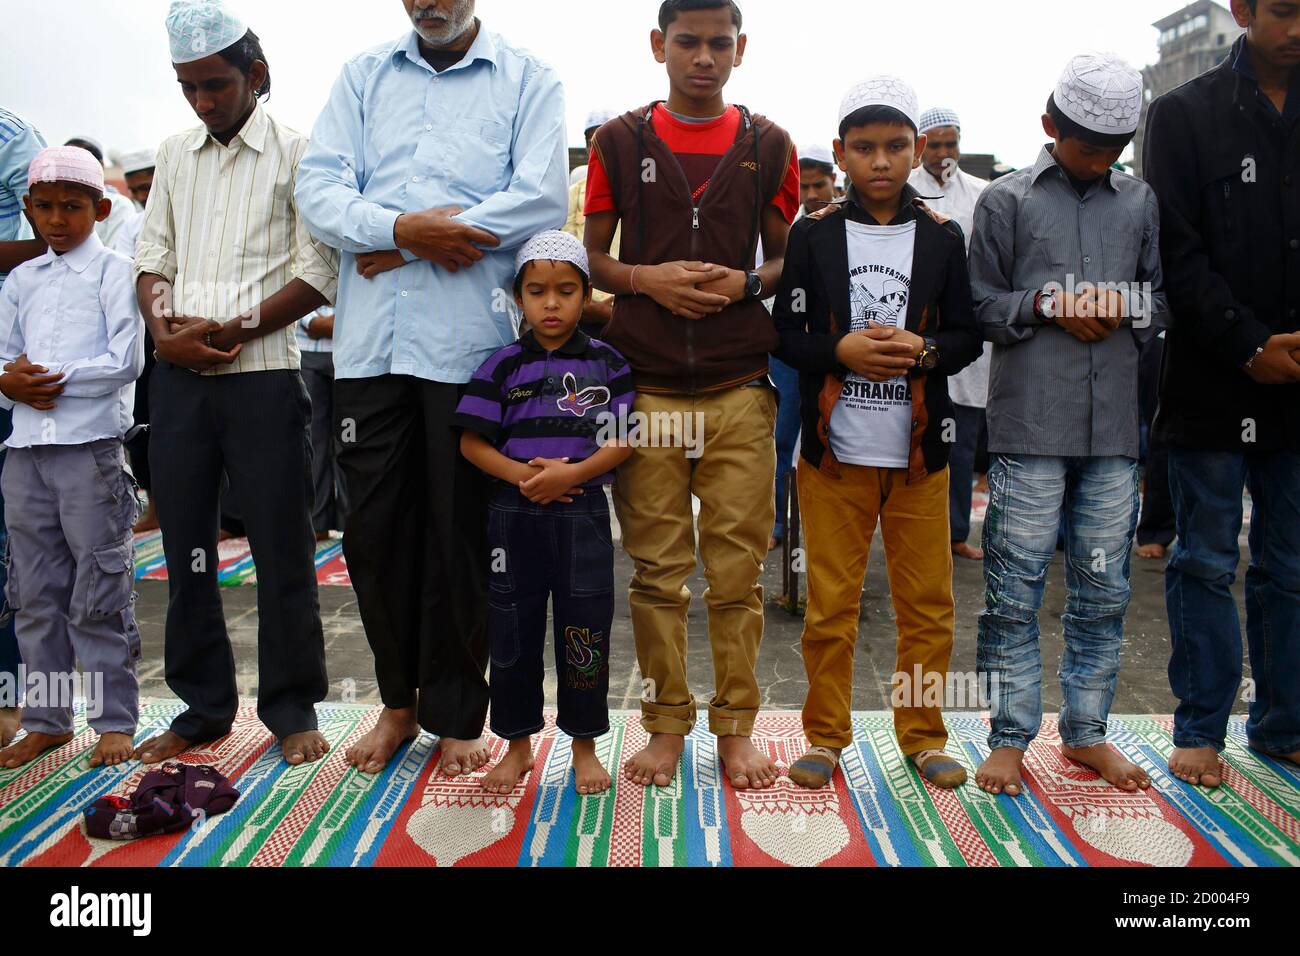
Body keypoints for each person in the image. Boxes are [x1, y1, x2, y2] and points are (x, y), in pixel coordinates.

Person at [296, 0, 569, 776]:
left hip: (468, 345)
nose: (432, 3)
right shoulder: (362, 77)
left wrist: (404, 242)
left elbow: (540, 196)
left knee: (461, 534)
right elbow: (317, 187)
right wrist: (400, 231)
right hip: (371, 347)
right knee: (376, 534)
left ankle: (456, 714)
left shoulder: (528, 79)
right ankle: (397, 704)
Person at [584, 0, 801, 790]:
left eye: (718, 44)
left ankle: (736, 729)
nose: (703, 57)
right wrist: (649, 280)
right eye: (688, 42)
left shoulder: (771, 145)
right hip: (644, 390)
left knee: (738, 574)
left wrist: (745, 281)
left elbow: (787, 264)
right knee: (656, 572)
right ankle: (666, 726)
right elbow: (593, 260)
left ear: (740, 49)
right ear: (658, 45)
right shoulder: (617, 139)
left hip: (742, 385)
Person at [132, 1, 339, 767]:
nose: (203, 101)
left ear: (255, 74)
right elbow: (152, 258)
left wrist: (236, 330)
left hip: (263, 380)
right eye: (188, 87)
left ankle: (291, 709)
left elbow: (316, 272)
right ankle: (203, 708)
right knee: (187, 544)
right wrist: (163, 329)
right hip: (180, 383)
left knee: (283, 546)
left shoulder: (298, 152)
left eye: (216, 84)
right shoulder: (175, 153)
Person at [969, 53, 1169, 797]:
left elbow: (1161, 304)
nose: (1101, 159)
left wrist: (1124, 308)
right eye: (1088, 144)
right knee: (1012, 588)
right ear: (1050, 126)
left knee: (1104, 589)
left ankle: (1086, 734)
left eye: (1114, 148)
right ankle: (1009, 737)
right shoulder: (1006, 201)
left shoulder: (1139, 202)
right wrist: (1049, 305)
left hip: (1115, 431)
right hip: (1028, 427)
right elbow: (980, 304)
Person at [774, 77, 982, 791]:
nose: (881, 162)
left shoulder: (942, 237)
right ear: (841, 154)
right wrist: (841, 351)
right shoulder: (814, 235)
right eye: (864, 149)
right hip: (834, 456)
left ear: (917, 149)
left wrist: (922, 353)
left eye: (896, 146)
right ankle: (825, 738)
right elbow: (788, 335)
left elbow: (967, 335)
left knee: (927, 608)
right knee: (831, 605)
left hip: (920, 458)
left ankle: (923, 736)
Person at [1143, 0, 1300, 787]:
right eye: (1284, 9)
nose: (1297, 27)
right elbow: (1174, 248)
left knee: (1292, 564)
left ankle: (1283, 724)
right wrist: (1248, 343)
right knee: (1205, 559)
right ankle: (1201, 726)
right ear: (1241, 9)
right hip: (1213, 376)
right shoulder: (1182, 114)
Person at [454, 231, 634, 796]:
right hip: (512, 516)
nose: (551, 304)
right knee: (511, 634)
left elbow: (625, 438)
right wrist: (526, 478)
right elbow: (472, 443)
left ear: (586, 296)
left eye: (565, 291)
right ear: (518, 298)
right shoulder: (501, 367)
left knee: (585, 633)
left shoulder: (608, 363)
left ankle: (584, 746)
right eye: (536, 292)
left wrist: (571, 475)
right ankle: (516, 747)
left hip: (583, 516)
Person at [0, 146, 144, 769]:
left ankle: (114, 720)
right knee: (34, 593)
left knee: (99, 588)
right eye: (45, 207)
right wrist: (9, 382)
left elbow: (125, 362)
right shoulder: (21, 280)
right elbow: (5, 355)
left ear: (100, 208)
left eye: (72, 207)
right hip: (24, 452)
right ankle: (48, 718)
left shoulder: (117, 271)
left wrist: (40, 379)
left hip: (89, 453)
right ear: (28, 210)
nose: (57, 219)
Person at [909, 107, 990, 561]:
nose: (943, 153)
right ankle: (913, 534)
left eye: (950, 144)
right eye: (934, 144)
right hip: (914, 332)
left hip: (963, 335)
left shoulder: (983, 195)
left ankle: (956, 532)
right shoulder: (904, 192)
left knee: (960, 443)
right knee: (911, 438)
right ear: (921, 146)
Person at [0, 105, 46, 749]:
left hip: (9, 369)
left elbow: (52, 234)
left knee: (12, 550)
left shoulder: (10, 139)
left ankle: (10, 696)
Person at [770, 143, 837, 552]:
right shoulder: (784, 233)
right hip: (788, 355)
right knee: (782, 439)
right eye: (804, 186)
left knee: (831, 439)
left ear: (835, 181)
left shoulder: (849, 228)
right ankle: (778, 523)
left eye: (820, 184)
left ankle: (823, 528)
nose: (812, 194)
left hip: (837, 351)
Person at [564, 108, 620, 336]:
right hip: (583, 306)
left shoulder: (642, 192)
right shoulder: (573, 193)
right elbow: (565, 250)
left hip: (627, 305)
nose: (599, 149)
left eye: (609, 142)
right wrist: (585, 303)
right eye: (593, 142)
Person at [297, 306, 346, 540]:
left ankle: (353, 520)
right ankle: (317, 522)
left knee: (349, 438)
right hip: (306, 350)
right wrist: (309, 322)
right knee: (312, 439)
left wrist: (337, 323)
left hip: (352, 351)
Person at [63, 138, 138, 250]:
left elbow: (117, 255)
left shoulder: (119, 204)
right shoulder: (55, 204)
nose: (72, 170)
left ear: (100, 165)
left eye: (78, 164)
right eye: (65, 164)